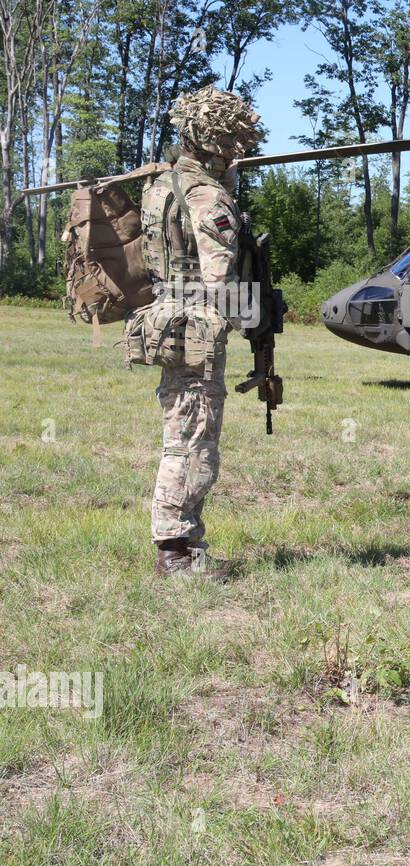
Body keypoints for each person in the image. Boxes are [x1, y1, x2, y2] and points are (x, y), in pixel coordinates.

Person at [140, 86, 263, 579]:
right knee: (192, 441)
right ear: (221, 143)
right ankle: (175, 553)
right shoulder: (208, 196)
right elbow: (218, 279)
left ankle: (184, 544)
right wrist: (251, 316)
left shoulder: (159, 186)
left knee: (182, 432)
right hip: (197, 329)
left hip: (166, 316)